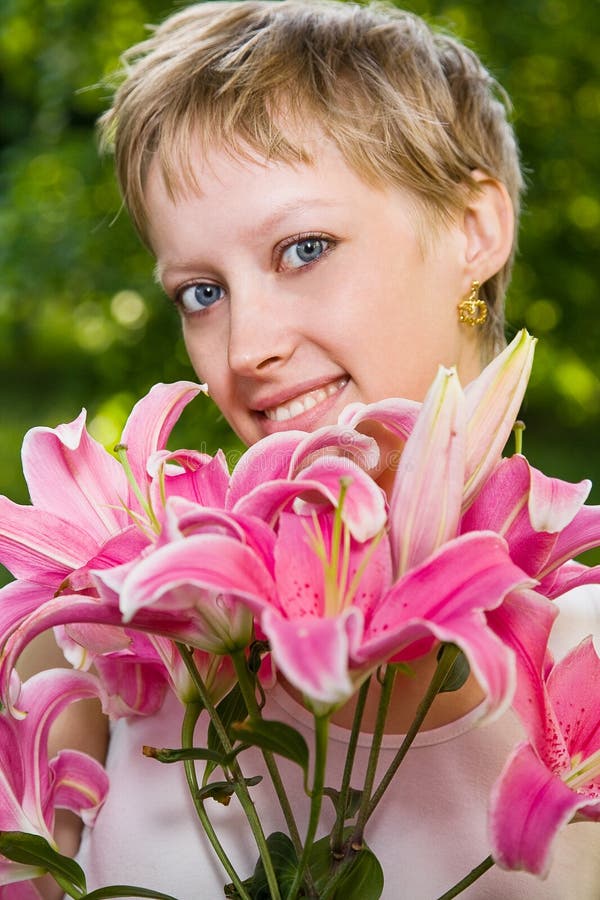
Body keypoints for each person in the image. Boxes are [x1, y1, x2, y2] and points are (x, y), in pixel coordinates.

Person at [27, 1, 600, 897]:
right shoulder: (106, 651)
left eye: (304, 248)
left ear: (474, 231)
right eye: (201, 292)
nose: (246, 347)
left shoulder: (583, 645)